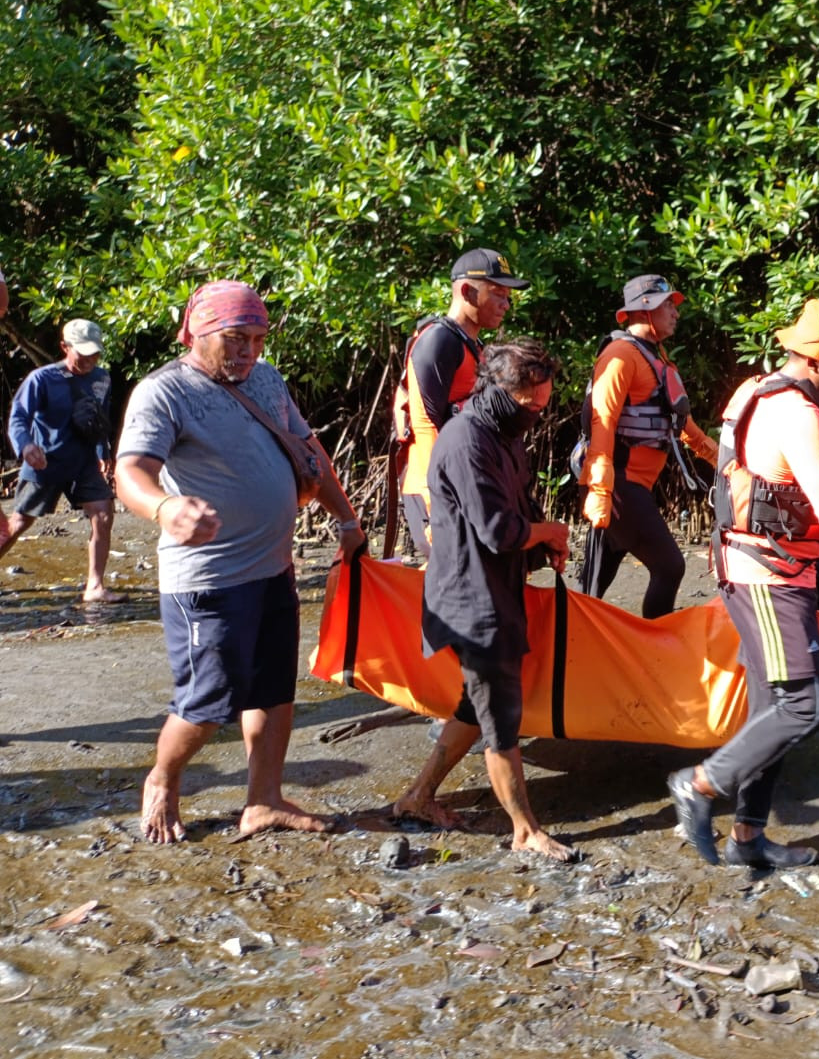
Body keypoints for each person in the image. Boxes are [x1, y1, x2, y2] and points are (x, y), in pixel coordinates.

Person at [116, 281, 367, 844]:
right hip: (207, 580)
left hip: (273, 568)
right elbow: (129, 472)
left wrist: (347, 520)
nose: (247, 351)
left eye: (256, 338)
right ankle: (163, 779)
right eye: (234, 338)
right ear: (196, 332)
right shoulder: (164, 393)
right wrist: (164, 507)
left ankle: (264, 800)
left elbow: (308, 450)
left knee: (275, 690)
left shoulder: (266, 379)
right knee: (206, 704)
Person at [668, 299, 819, 870]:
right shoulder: (799, 414)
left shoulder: (754, 390)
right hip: (769, 574)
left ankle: (748, 840)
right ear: (815, 360)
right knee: (803, 708)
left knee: (771, 711)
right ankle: (698, 785)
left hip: (753, 564)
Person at [392, 339, 576, 860]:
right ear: (496, 391)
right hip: (470, 598)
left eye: (543, 407)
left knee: (474, 704)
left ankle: (418, 796)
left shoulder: (505, 432)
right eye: (528, 406)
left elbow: (519, 505)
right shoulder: (465, 439)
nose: (535, 416)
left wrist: (545, 542)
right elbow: (497, 530)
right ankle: (524, 829)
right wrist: (547, 530)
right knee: (501, 715)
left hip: (497, 587)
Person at [576, 274, 719, 618]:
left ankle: (572, 646)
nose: (675, 312)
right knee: (670, 566)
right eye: (668, 304)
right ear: (644, 309)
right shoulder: (620, 355)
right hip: (618, 486)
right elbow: (603, 422)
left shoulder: (656, 358)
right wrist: (600, 489)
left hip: (636, 486)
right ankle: (656, 649)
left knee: (592, 587)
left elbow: (682, 424)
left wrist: (721, 459)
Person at [394, 248, 528, 560]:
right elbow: (431, 422)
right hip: (434, 485)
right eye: (498, 294)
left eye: (508, 296)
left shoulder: (473, 345)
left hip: (463, 482)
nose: (506, 305)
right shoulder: (439, 341)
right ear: (467, 291)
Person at [3, 319, 122, 602]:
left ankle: (95, 586)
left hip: (82, 462)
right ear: (64, 347)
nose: (90, 359)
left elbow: (98, 419)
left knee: (103, 514)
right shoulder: (42, 379)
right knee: (19, 522)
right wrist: (26, 446)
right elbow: (18, 417)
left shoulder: (101, 378)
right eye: (83, 353)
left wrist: (102, 453)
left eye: (95, 353)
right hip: (46, 460)